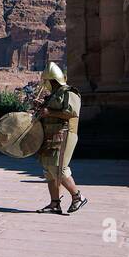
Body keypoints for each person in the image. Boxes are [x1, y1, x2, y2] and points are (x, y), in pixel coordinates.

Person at [35, 62, 87, 215]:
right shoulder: (53, 95)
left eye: (48, 82)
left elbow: (72, 113)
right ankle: (54, 203)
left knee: (59, 168)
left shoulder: (70, 92)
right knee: (49, 170)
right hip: (50, 135)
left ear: (53, 80)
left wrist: (49, 112)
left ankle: (78, 197)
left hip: (65, 133)